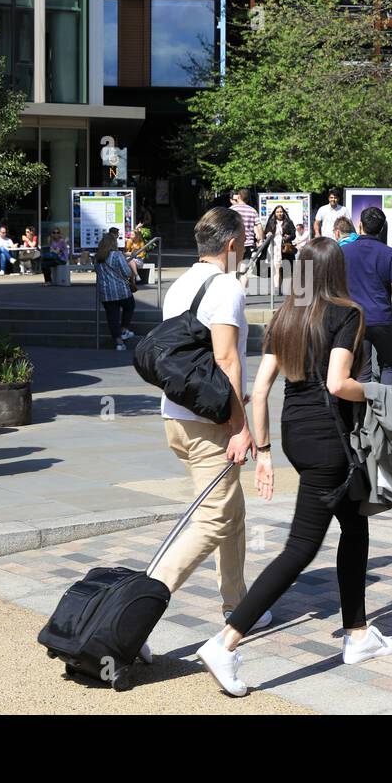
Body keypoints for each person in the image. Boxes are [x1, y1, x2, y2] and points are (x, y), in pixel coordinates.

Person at [193, 237, 392, 697]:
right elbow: (338, 382)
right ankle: (226, 642)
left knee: (355, 524)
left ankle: (359, 633)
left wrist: (264, 453)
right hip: (332, 440)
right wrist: (383, 394)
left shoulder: (286, 316)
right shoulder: (347, 313)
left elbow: (261, 389)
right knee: (300, 548)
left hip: (298, 436)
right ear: (336, 271)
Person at [146, 207, 272, 638]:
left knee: (231, 511)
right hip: (208, 424)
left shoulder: (179, 284)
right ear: (233, 244)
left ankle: (238, 604)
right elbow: (226, 358)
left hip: (174, 416)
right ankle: (140, 608)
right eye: (244, 245)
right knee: (214, 519)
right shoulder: (226, 288)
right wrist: (240, 426)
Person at [341, 206, 392, 384]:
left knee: (362, 371)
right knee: (387, 366)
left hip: (356, 319)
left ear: (360, 225)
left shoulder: (345, 252)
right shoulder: (390, 254)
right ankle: (387, 409)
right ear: (381, 228)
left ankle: (363, 410)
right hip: (382, 317)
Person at [95, 229, 137, 351]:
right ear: (113, 243)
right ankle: (124, 329)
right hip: (121, 290)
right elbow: (127, 272)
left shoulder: (98, 257)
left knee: (112, 316)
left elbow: (97, 272)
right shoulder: (117, 255)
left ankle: (119, 343)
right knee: (130, 305)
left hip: (105, 293)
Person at [263, 205, 296, 296]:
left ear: (284, 212)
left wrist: (288, 236)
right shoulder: (271, 222)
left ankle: (283, 287)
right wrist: (268, 234)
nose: (279, 213)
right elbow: (265, 232)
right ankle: (277, 288)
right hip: (274, 247)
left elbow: (294, 235)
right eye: (277, 212)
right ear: (274, 213)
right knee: (276, 268)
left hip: (285, 248)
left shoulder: (289, 222)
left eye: (281, 211)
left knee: (285, 269)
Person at [229, 189, 259, 260]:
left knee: (232, 266)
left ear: (238, 197)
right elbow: (258, 226)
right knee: (245, 266)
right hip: (248, 243)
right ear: (248, 199)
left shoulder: (231, 210)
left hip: (234, 242)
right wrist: (260, 239)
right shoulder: (252, 210)